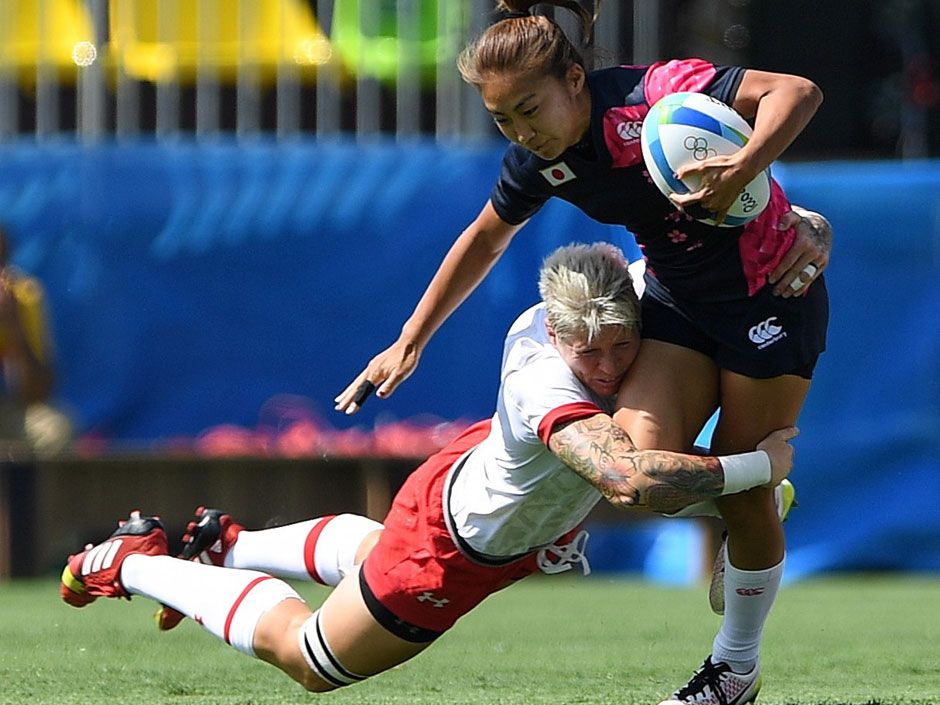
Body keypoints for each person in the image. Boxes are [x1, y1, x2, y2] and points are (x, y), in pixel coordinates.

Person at [332, 4, 832, 704]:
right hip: (677, 302)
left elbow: (796, 91)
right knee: (642, 472)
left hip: (770, 297)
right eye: (503, 120)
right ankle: (761, 484)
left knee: (743, 505)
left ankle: (735, 669)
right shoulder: (542, 162)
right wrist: (408, 339)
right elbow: (484, 238)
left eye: (529, 109)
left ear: (574, 78)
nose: (521, 132)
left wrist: (749, 165)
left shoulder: (653, 94)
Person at [61, 243, 798, 697]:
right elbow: (629, 480)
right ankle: (132, 562)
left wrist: (801, 237)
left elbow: (715, 245)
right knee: (312, 657)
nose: (608, 368)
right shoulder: (546, 380)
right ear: (552, 328)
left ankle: (232, 544)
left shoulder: (617, 291)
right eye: (589, 351)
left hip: (473, 478)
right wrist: (756, 468)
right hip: (449, 549)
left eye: (620, 346)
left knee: (367, 552)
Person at [0, 226, 71, 457]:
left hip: (9, 413)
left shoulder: (23, 296)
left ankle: (31, 494)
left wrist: (15, 327)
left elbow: (37, 393)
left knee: (54, 430)